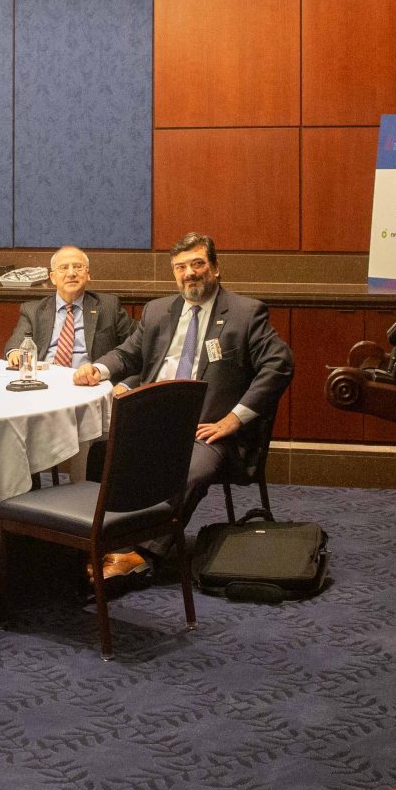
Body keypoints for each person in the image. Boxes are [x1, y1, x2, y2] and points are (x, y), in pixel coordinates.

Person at [75, 232, 293, 579]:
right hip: (152, 419)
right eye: (181, 267)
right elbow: (128, 354)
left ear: (215, 268)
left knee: (188, 469)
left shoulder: (245, 312)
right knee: (100, 453)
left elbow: (279, 364)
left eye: (197, 264)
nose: (189, 273)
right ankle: (105, 540)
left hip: (207, 429)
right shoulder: (158, 310)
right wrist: (97, 369)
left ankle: (141, 552)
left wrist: (235, 418)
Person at [3, 245, 135, 370]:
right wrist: (15, 352)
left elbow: (135, 345)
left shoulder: (108, 306)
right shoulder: (33, 310)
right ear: (53, 278)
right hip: (45, 378)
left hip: (89, 379)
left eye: (78, 267)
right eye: (64, 268)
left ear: (88, 274)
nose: (71, 273)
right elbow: (16, 343)